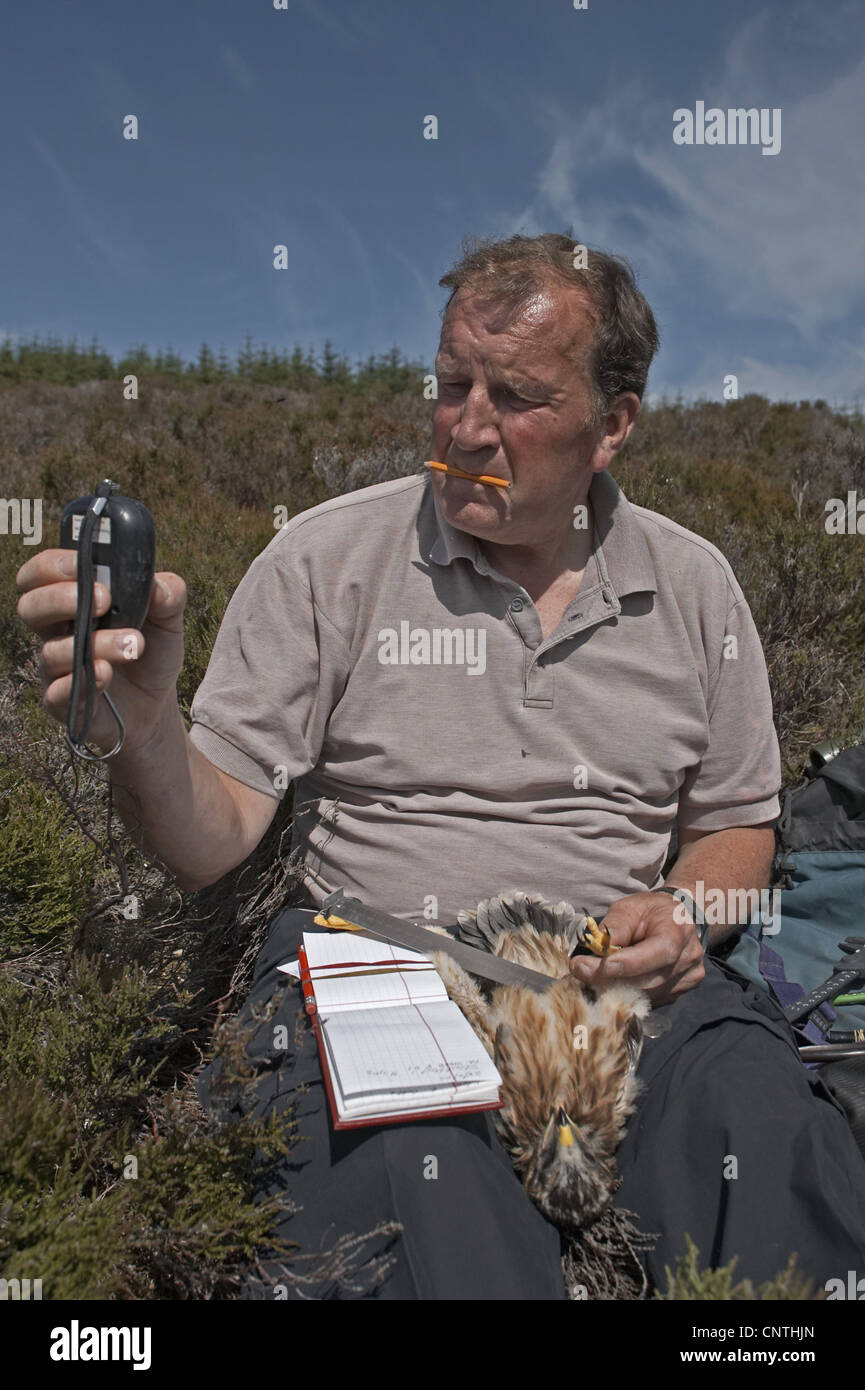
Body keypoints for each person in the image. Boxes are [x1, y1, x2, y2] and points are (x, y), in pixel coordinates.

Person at [17, 233, 865, 1300]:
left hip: (619, 991)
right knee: (416, 1216)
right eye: (450, 382)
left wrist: (685, 912)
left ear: (613, 423)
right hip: (385, 970)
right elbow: (215, 834)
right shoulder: (328, 560)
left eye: (514, 395)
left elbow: (738, 826)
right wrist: (144, 728)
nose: (466, 427)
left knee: (774, 1161)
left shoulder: (695, 587)